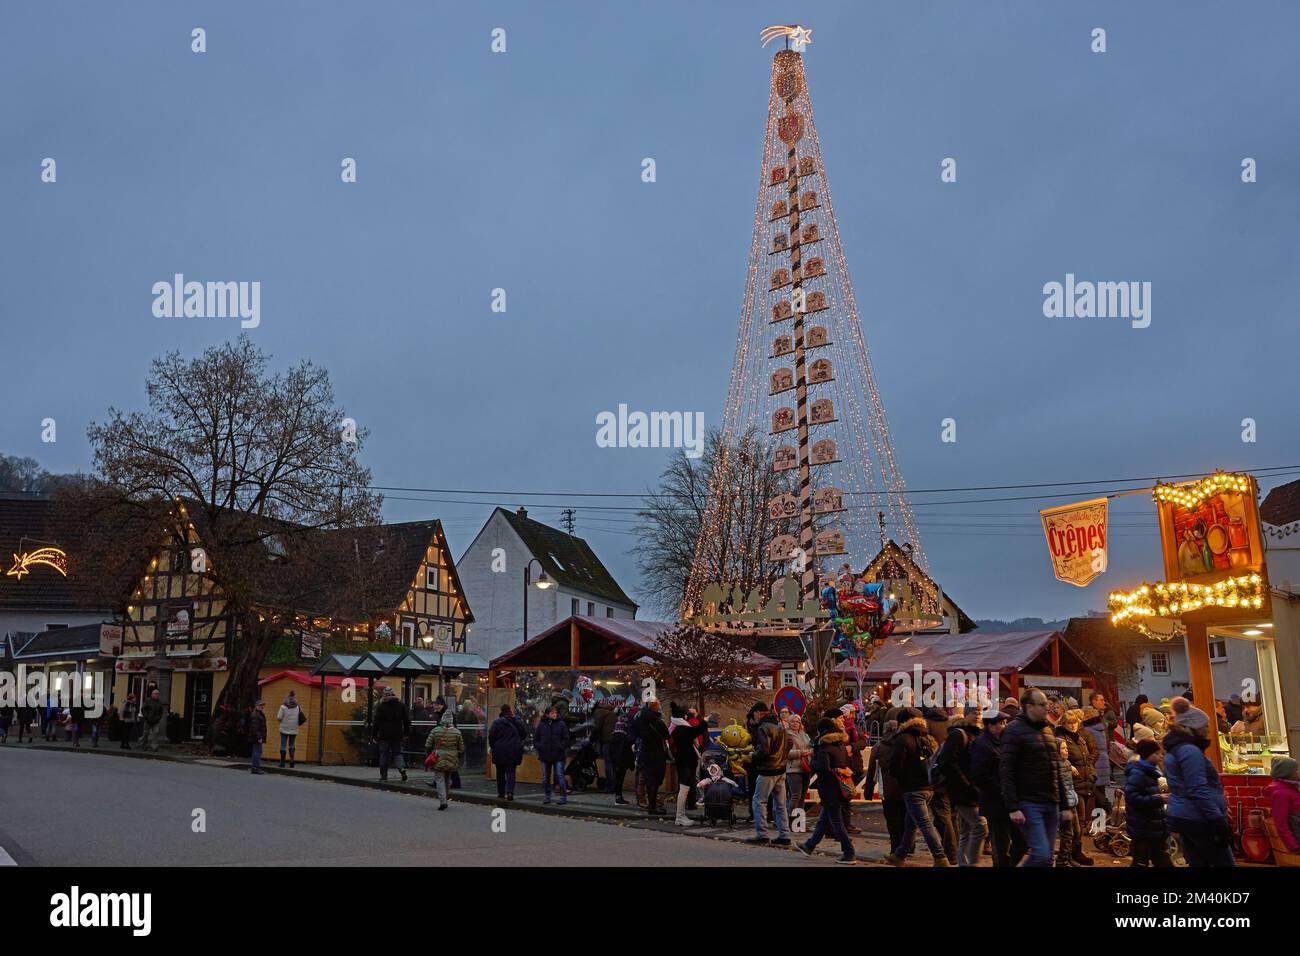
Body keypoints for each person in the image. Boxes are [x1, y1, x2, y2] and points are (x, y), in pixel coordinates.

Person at [1000, 688, 1074, 867]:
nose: (1046, 708)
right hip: (1029, 802)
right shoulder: (1013, 730)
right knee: (1040, 854)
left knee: (1046, 859)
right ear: (1028, 706)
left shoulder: (1048, 730)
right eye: (1041, 705)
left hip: (1051, 802)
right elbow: (1006, 770)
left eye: (1046, 704)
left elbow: (1055, 769)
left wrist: (1064, 805)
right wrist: (1012, 806)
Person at [1163, 697, 1234, 866]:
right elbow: (1197, 788)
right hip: (1199, 817)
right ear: (1194, 727)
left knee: (1197, 861)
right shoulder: (1190, 750)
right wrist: (1217, 818)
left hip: (1187, 815)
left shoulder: (1177, 748)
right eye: (1205, 726)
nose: (1208, 729)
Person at [882, 708, 950, 867]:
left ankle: (940, 856)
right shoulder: (926, 737)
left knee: (924, 823)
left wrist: (899, 778)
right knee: (910, 824)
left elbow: (896, 765)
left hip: (913, 788)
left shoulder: (902, 739)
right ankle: (899, 855)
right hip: (929, 787)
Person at [796, 717, 856, 864]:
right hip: (840, 787)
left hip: (830, 789)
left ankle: (849, 852)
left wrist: (812, 762)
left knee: (836, 822)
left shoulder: (824, 747)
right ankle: (809, 846)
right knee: (824, 819)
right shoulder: (840, 744)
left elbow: (823, 769)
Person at [970, 710, 1025, 866]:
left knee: (1022, 841)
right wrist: (1000, 788)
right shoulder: (981, 744)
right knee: (1001, 846)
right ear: (990, 726)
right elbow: (978, 774)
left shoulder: (1003, 741)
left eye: (1005, 722)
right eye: (1001, 723)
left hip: (1009, 800)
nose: (1005, 726)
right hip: (995, 801)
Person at [937, 708, 986, 866]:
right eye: (974, 713)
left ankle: (963, 863)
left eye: (980, 713)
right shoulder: (959, 735)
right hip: (963, 790)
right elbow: (947, 762)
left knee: (966, 831)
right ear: (966, 715)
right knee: (980, 826)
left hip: (972, 789)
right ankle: (972, 863)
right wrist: (966, 784)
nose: (978, 716)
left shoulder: (977, 734)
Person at [1055, 708, 1096, 866]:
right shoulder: (1061, 738)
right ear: (1064, 724)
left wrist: (1092, 774)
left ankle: (1074, 852)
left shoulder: (1080, 738)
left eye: (1075, 722)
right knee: (1075, 825)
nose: (1072, 725)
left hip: (1084, 783)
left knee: (1081, 822)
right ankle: (1071, 855)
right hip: (1072, 786)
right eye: (1069, 723)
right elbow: (1059, 759)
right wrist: (1070, 767)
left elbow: (1088, 757)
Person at [747, 702, 791, 845]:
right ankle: (784, 835)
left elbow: (764, 750)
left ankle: (762, 835)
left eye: (754, 714)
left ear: (759, 713)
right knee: (781, 804)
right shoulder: (780, 726)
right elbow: (789, 743)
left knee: (759, 801)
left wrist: (753, 756)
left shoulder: (763, 728)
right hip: (781, 769)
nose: (754, 717)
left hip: (768, 770)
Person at [1125, 739, 1172, 867]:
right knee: (1142, 861)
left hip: (1153, 827)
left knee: (1161, 859)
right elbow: (1132, 798)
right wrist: (1158, 799)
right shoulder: (1138, 773)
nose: (1161, 756)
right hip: (1143, 828)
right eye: (1157, 753)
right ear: (1148, 755)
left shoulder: (1150, 772)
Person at [866, 718, 905, 852]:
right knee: (905, 818)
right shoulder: (904, 743)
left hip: (888, 789)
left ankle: (895, 847)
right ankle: (908, 846)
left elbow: (871, 769)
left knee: (892, 820)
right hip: (905, 787)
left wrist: (869, 791)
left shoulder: (879, 747)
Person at [633, 698, 670, 815]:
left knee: (649, 779)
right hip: (657, 753)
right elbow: (666, 735)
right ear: (655, 706)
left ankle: (651, 805)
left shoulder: (640, 719)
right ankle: (653, 806)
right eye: (659, 704)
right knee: (655, 779)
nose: (660, 706)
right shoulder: (657, 721)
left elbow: (636, 732)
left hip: (646, 752)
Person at [669, 703, 702, 827]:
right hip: (686, 761)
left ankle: (681, 815)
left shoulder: (677, 729)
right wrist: (701, 718)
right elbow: (700, 728)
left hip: (682, 760)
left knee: (685, 788)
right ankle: (680, 816)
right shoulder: (684, 729)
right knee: (684, 789)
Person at [424, 712, 464, 810]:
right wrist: (456, 754)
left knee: (439, 779)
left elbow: (428, 745)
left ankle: (443, 801)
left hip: (438, 757)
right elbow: (461, 748)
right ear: (451, 720)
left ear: (442, 719)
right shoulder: (457, 732)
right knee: (447, 779)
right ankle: (445, 798)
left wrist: (431, 752)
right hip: (452, 758)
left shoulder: (435, 730)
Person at [488, 704, 527, 799]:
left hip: (500, 750)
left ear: (501, 711)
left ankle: (501, 793)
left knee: (500, 772)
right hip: (513, 750)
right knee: (511, 772)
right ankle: (510, 792)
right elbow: (524, 734)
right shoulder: (517, 721)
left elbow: (491, 736)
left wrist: (494, 747)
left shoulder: (497, 723)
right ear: (510, 711)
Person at [372, 687, 410, 783]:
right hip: (397, 734)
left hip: (384, 735)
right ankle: (401, 769)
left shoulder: (381, 706)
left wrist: (374, 735)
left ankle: (384, 776)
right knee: (398, 753)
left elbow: (376, 722)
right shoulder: (401, 705)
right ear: (393, 694)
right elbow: (406, 721)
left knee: (384, 755)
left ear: (385, 695)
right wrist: (406, 733)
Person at [534, 704, 570, 805]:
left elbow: (566, 738)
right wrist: (540, 747)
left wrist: (561, 746)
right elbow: (536, 739)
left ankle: (563, 797)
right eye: (552, 713)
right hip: (545, 754)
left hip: (558, 754)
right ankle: (547, 796)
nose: (554, 714)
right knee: (546, 777)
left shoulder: (561, 724)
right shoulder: (541, 725)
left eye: (555, 713)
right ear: (547, 714)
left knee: (559, 775)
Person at [1081, 705, 1112, 814]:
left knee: (1096, 793)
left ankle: (1107, 809)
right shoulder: (1100, 727)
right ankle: (1101, 823)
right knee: (1100, 790)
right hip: (1103, 761)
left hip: (1096, 763)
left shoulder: (1087, 729)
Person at [1266, 757, 1300, 854]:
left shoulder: (1291, 787)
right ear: (1287, 774)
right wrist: (1293, 845)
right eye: (1295, 770)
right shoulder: (1280, 793)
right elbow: (1281, 822)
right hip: (1297, 837)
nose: (1298, 772)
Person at [784, 713, 812, 817]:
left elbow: (810, 747)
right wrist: (803, 753)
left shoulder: (805, 735)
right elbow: (787, 753)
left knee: (802, 797)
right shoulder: (786, 735)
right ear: (789, 723)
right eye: (793, 721)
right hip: (793, 769)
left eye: (797, 721)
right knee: (795, 796)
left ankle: (800, 822)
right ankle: (792, 820)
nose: (795, 723)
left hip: (805, 768)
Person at [590, 696, 618, 793]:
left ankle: (610, 787)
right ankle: (615, 785)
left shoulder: (599, 712)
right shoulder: (609, 712)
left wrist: (590, 737)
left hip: (607, 741)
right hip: (615, 741)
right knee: (613, 764)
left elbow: (596, 727)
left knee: (608, 764)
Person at [609, 711, 635, 805]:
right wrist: (631, 764)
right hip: (622, 762)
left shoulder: (613, 737)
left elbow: (611, 752)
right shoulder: (625, 739)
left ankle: (618, 796)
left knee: (617, 779)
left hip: (615, 762)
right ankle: (619, 798)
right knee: (620, 779)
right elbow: (627, 753)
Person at [276, 691, 304, 768]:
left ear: (287, 697)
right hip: (294, 728)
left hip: (284, 728)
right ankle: (292, 761)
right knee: (292, 744)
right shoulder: (298, 706)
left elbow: (279, 717)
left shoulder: (283, 706)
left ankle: (282, 763)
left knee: (283, 745)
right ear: (294, 697)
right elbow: (301, 716)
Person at [248, 699, 268, 774]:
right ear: (256, 706)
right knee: (257, 752)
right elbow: (255, 728)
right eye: (260, 705)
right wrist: (259, 737)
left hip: (256, 736)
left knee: (257, 752)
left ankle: (255, 767)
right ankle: (255, 768)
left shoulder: (258, 714)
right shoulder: (256, 715)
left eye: (262, 705)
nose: (262, 707)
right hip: (256, 737)